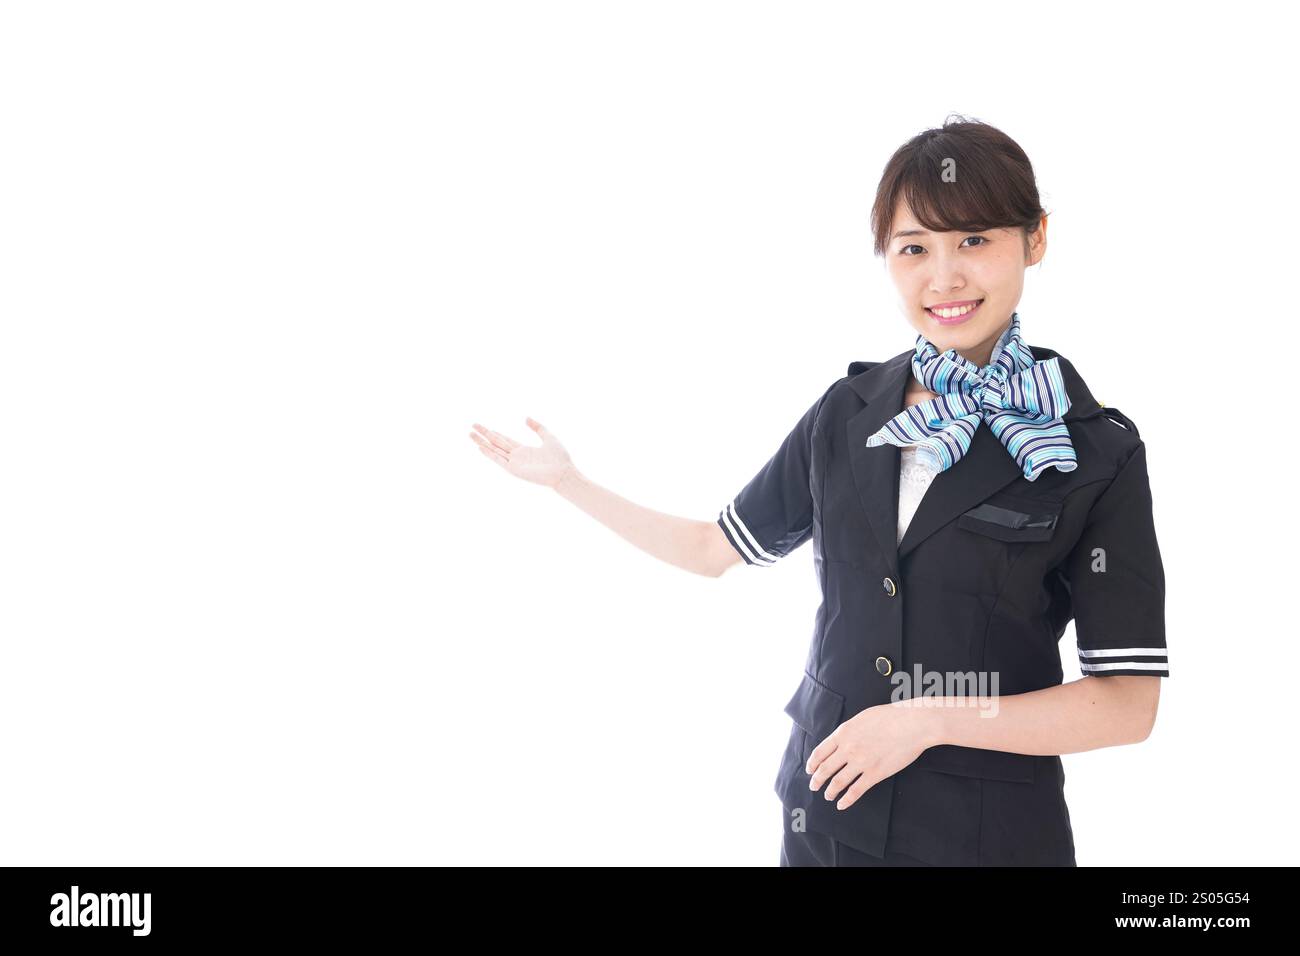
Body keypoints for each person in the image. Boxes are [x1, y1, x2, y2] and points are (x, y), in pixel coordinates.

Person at [468, 116, 1167, 867]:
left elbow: (1128, 704)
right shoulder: (847, 413)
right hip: (827, 822)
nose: (944, 278)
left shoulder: (1095, 450)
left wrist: (928, 719)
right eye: (913, 249)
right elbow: (713, 549)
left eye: (974, 240)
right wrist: (570, 482)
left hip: (988, 838)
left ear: (1035, 240)